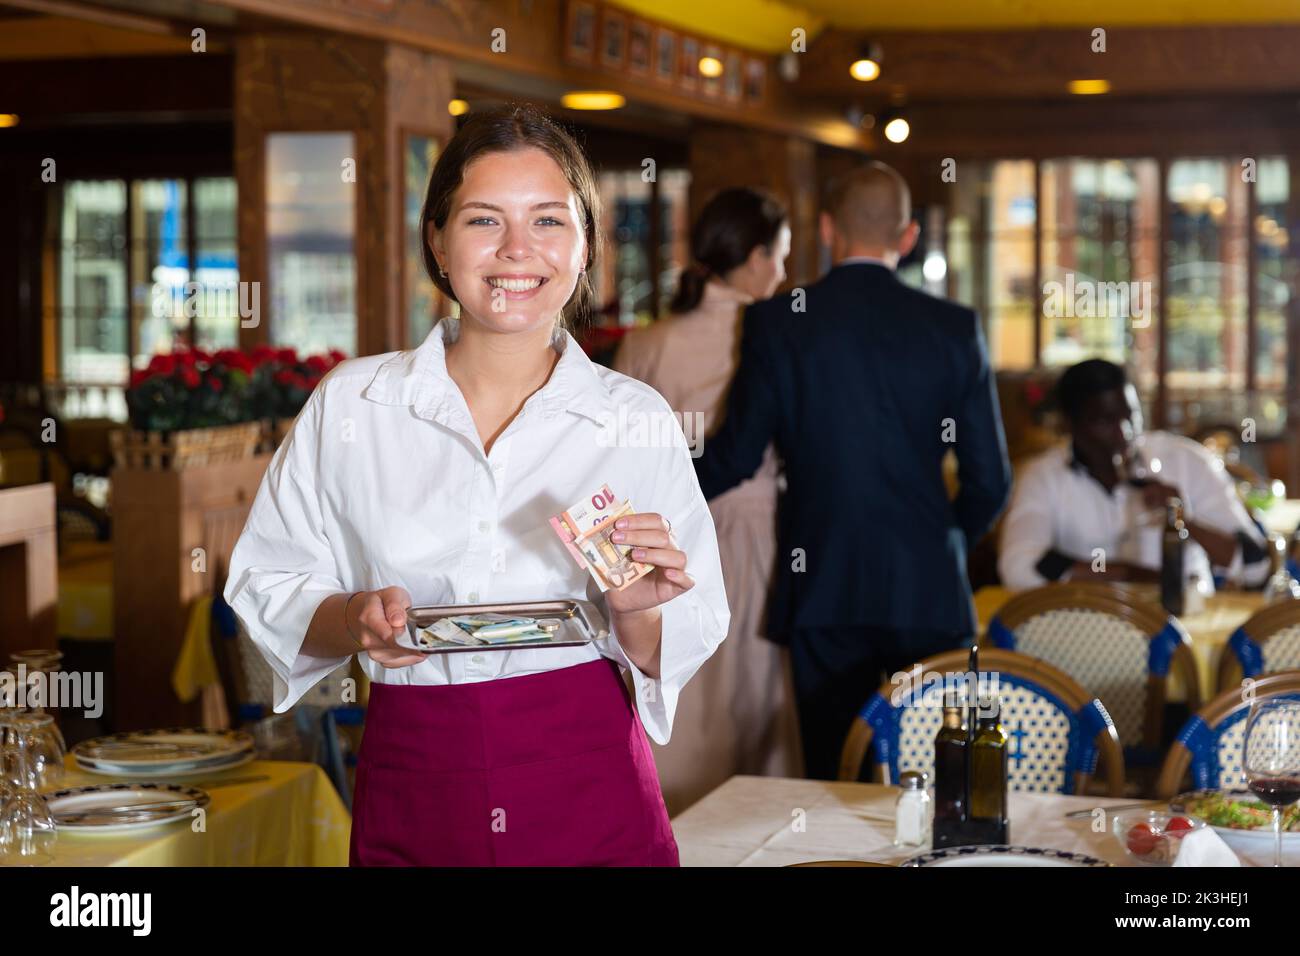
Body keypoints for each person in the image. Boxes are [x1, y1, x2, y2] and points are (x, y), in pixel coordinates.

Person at [223, 105, 730, 866]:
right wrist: (354, 618)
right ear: (437, 238)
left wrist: (634, 614)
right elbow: (268, 581)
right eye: (484, 220)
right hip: (415, 774)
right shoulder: (354, 403)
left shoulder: (633, 418)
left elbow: (684, 636)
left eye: (550, 221)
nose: (518, 250)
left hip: (588, 778)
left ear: (585, 244)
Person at [692, 161, 1012, 780]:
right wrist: (942, 543)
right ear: (909, 236)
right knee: (943, 778)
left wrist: (636, 488)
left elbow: (733, 456)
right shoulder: (954, 327)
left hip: (824, 582)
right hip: (927, 588)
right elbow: (990, 482)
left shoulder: (779, 321)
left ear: (828, 228)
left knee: (836, 777)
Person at [614, 187, 802, 811]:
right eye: (778, 257)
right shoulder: (777, 336)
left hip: (659, 536)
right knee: (749, 685)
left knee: (680, 682)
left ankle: (671, 818)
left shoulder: (651, 340)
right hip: (755, 528)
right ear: (752, 259)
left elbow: (622, 452)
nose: (782, 274)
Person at [999, 358, 1269, 591]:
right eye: (1104, 421)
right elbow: (1018, 566)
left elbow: (1256, 564)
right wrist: (1132, 576)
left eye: (1131, 417)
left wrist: (1184, 521)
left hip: (1184, 633)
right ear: (1069, 424)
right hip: (1085, 631)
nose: (1124, 433)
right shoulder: (1043, 476)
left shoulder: (1186, 462)